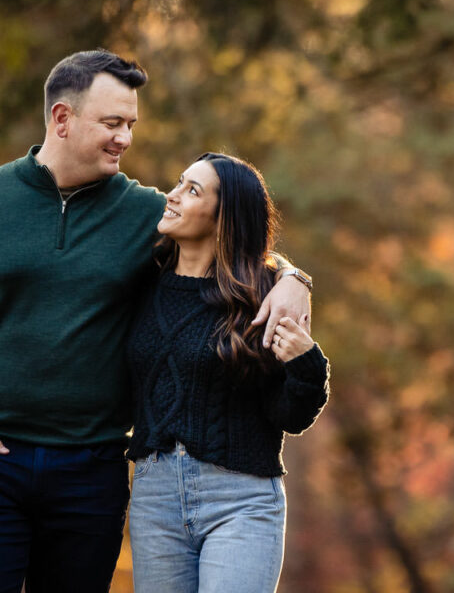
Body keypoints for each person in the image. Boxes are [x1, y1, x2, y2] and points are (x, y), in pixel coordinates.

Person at [0, 50, 312, 593]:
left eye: (131, 125)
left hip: (91, 470)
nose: (125, 138)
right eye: (112, 123)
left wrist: (294, 278)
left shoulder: (146, 213)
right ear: (62, 119)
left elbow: (231, 241)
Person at [125, 152, 330, 592]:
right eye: (179, 182)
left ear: (224, 218)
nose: (173, 195)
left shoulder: (263, 296)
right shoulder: (140, 281)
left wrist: (306, 363)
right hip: (153, 500)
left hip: (241, 501)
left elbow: (289, 416)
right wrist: (296, 273)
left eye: (192, 190)